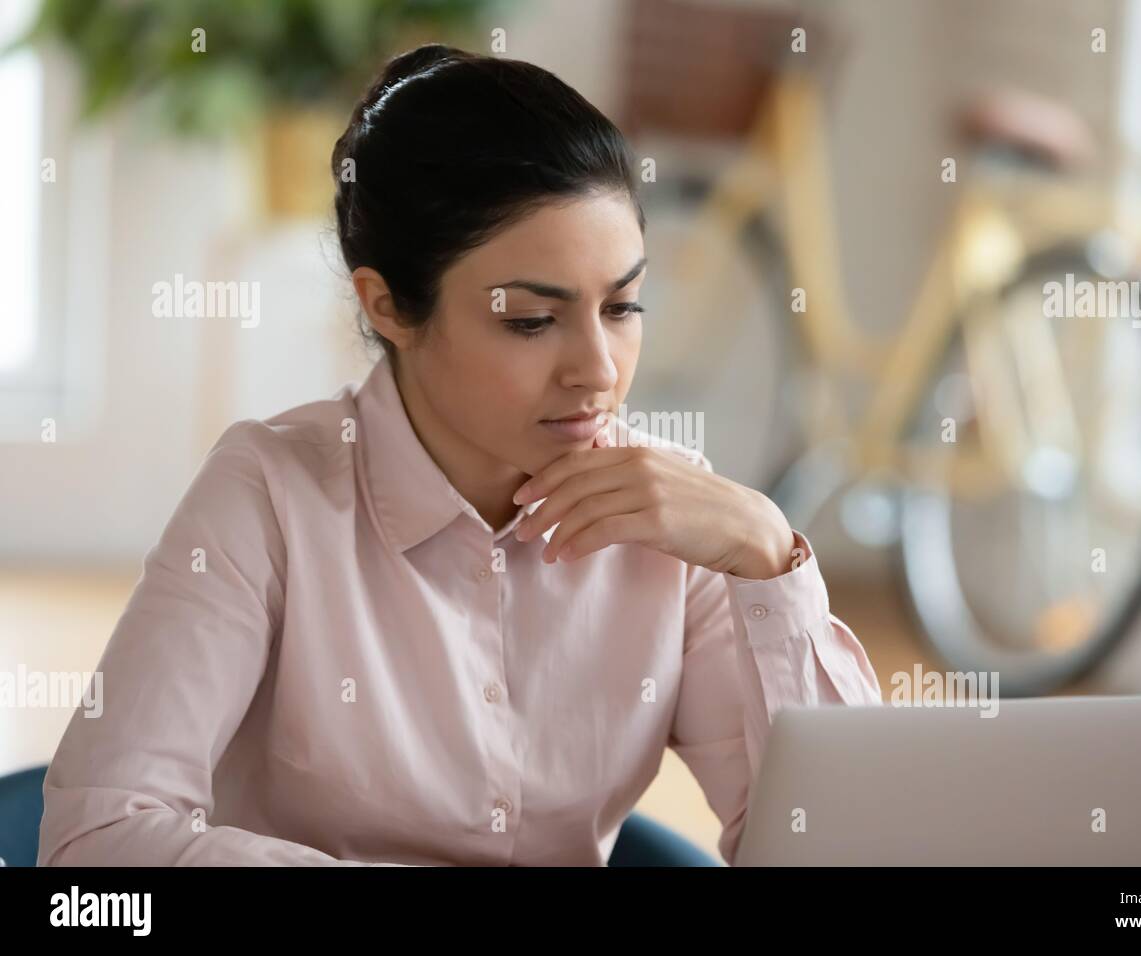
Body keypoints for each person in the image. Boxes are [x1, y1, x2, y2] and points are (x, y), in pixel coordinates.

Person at [38, 43, 882, 868]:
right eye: (529, 320)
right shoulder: (266, 496)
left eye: (623, 306)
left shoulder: (675, 530)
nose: (598, 370)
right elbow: (97, 842)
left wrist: (767, 554)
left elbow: (843, 850)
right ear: (391, 307)